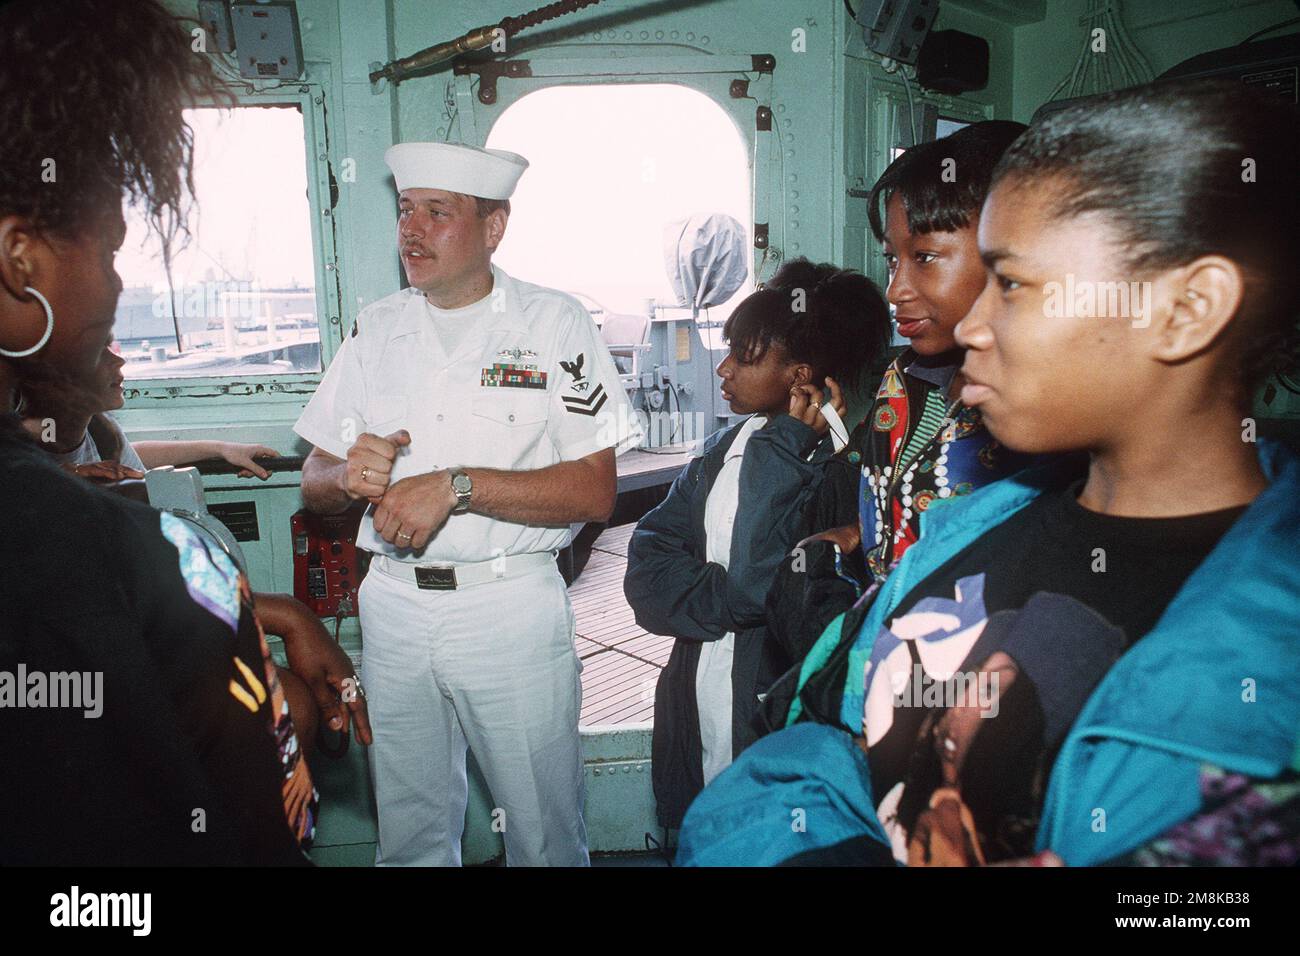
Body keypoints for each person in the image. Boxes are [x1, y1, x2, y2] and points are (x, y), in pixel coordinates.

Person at [676, 78, 1300, 866]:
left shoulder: (1267, 677)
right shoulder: (958, 539)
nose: (972, 322)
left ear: (1185, 310)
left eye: (1011, 283)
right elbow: (820, 757)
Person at [0, 0, 339, 864]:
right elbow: (259, 826)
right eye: (110, 251)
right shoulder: (129, 556)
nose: (116, 289)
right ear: (21, 260)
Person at [294, 141, 642, 866]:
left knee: (543, 834)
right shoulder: (376, 328)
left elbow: (596, 490)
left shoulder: (554, 324)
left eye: (437, 213)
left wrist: (458, 485)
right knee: (411, 832)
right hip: (391, 606)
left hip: (505, 607)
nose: (411, 230)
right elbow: (314, 479)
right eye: (404, 210)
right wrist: (346, 477)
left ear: (493, 228)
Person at [759, 121, 1034, 726]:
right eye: (891, 260)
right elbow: (900, 504)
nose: (895, 289)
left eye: (926, 258)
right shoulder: (901, 380)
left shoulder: (1043, 417)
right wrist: (844, 542)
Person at [623, 259, 890, 832]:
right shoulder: (724, 448)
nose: (722, 369)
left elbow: (760, 580)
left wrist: (786, 447)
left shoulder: (848, 470)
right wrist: (731, 602)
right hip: (699, 695)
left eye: (743, 357)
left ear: (800, 377)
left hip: (771, 710)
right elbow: (647, 570)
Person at [18, 341, 280, 481]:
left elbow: (125, 461)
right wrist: (68, 477)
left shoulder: (101, 430)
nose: (119, 360)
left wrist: (220, 448)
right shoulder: (27, 438)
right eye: (99, 351)